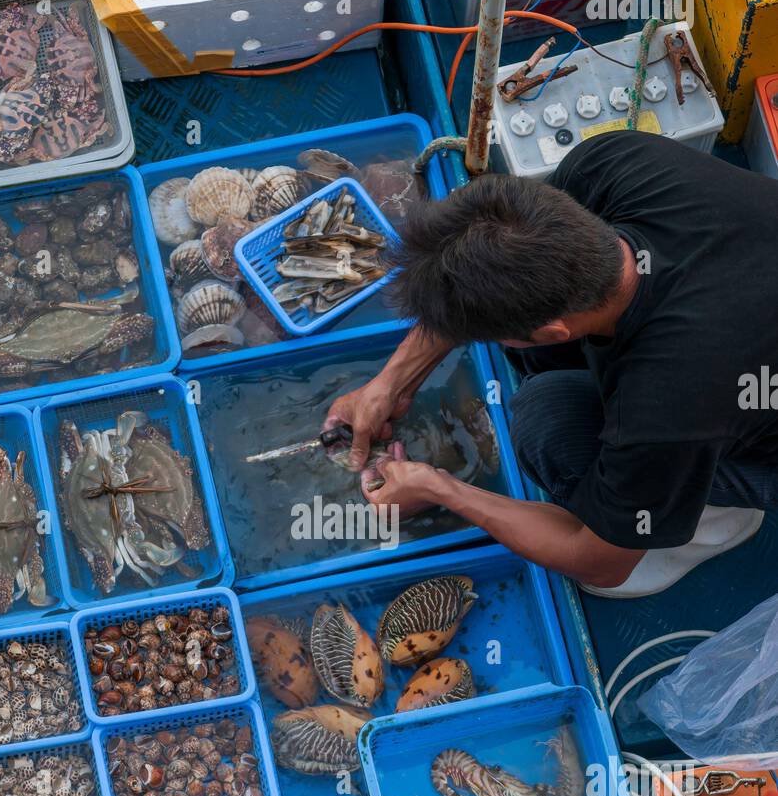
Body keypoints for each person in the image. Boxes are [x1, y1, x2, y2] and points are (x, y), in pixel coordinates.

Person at [324, 132, 776, 597]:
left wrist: (439, 489)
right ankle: (670, 479)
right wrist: (392, 382)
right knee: (540, 360)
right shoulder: (612, 163)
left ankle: (708, 524)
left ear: (556, 327)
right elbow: (480, 281)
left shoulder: (667, 402)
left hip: (738, 410)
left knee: (549, 424)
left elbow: (599, 564)